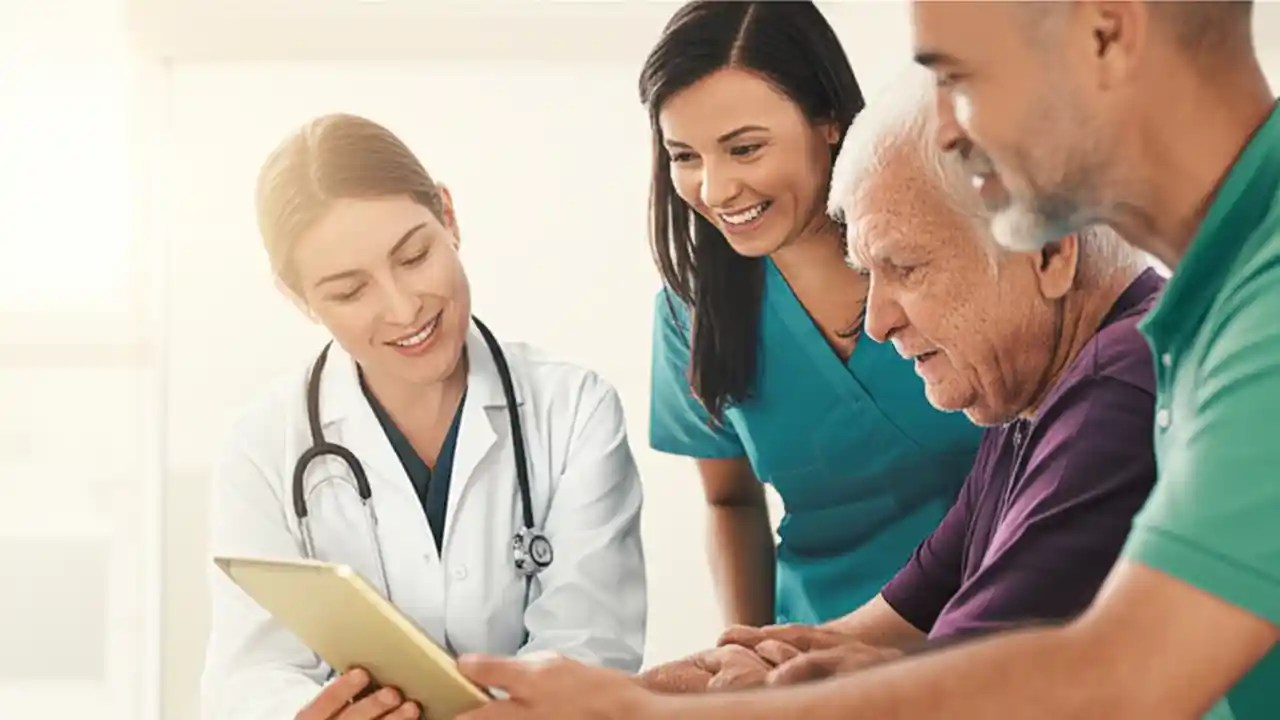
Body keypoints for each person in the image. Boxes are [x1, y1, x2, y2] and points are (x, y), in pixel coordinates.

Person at [453, 2, 1280, 718]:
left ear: (1105, 33)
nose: (949, 127)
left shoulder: (1199, 341)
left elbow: (1114, 678)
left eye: (960, 76)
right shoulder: (1097, 361)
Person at [635, 75, 1162, 693]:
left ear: (1049, 252)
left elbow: (944, 699)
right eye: (867, 274)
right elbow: (892, 622)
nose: (878, 322)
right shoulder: (1029, 399)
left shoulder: (1119, 394)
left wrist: (634, 711)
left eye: (904, 268)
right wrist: (738, 668)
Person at [201, 113, 646, 720]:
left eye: (413, 256)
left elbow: (590, 653)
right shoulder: (263, 448)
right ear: (297, 297)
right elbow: (250, 676)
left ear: (448, 215)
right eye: (349, 292)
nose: (404, 307)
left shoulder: (573, 413)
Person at [644, 0, 981, 632]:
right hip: (818, 653)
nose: (714, 191)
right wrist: (746, 655)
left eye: (744, 149)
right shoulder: (691, 313)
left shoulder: (959, 238)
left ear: (828, 119)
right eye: (684, 155)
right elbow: (729, 498)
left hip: (1001, 623)